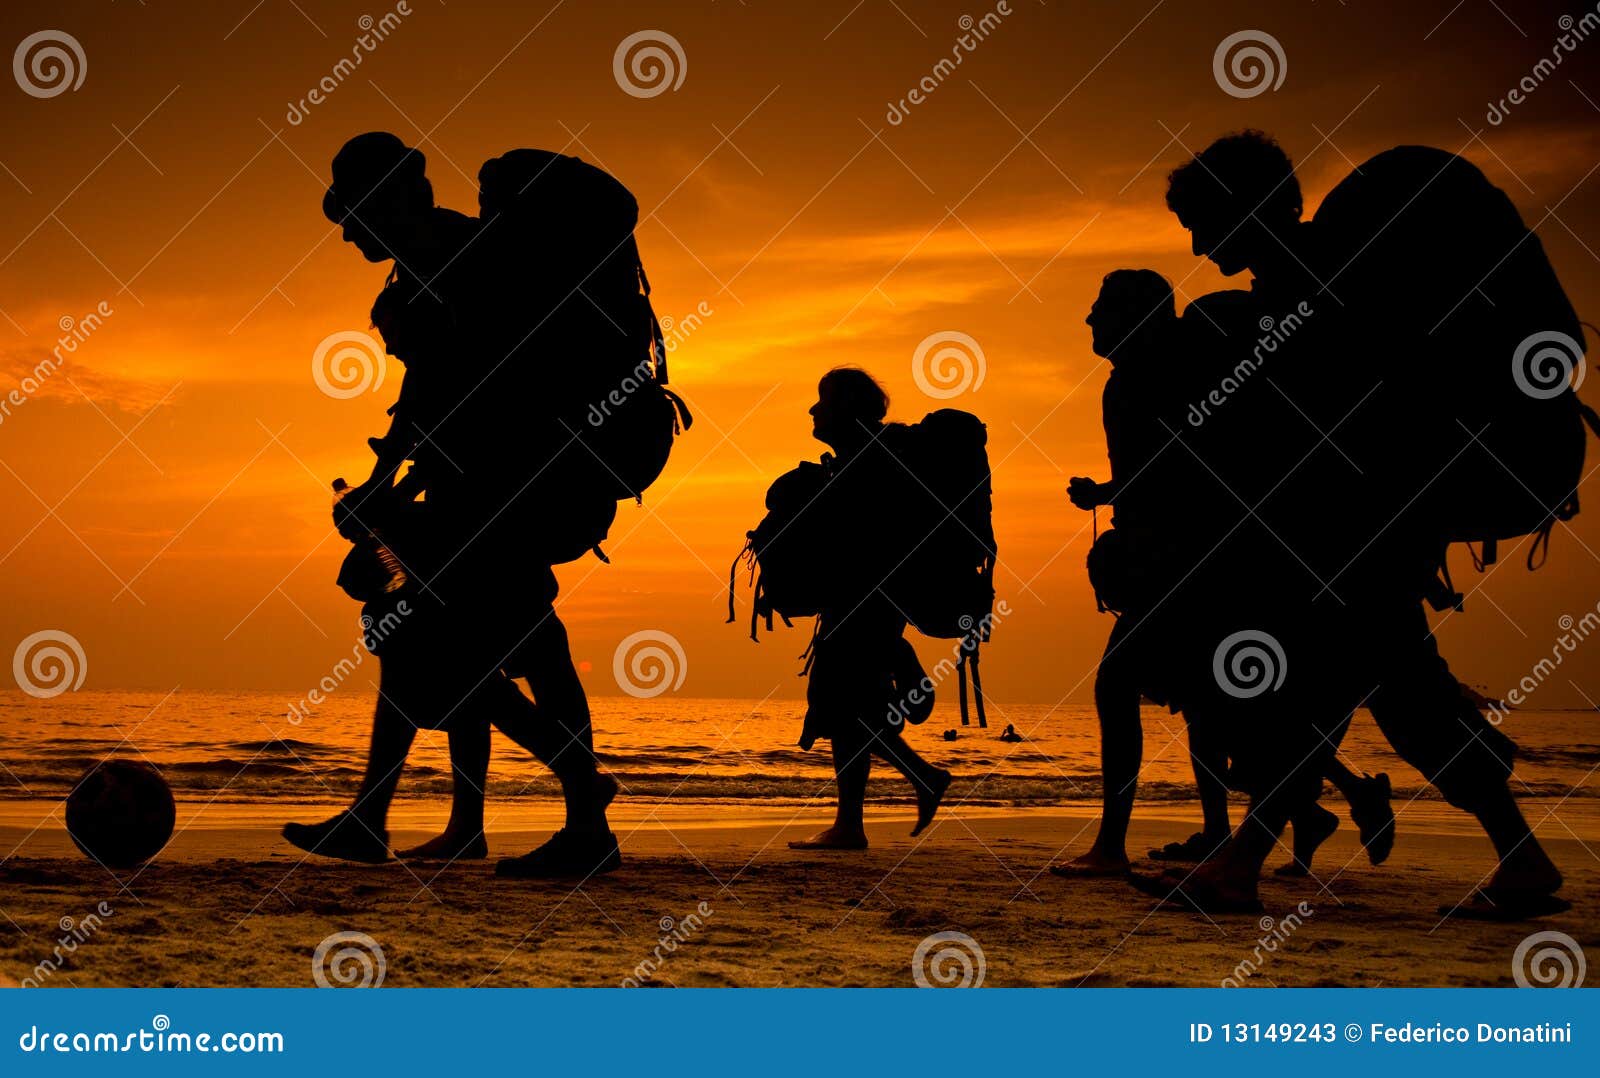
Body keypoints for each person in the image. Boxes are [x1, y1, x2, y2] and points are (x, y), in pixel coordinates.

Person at [1140, 130, 1562, 913]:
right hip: (1377, 528)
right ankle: (1518, 855)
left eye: (1203, 221)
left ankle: (1241, 865)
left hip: (1370, 530)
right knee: (1386, 690)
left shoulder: (1315, 286)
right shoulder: (1313, 279)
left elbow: (1348, 426)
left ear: (1246, 209)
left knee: (1355, 688)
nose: (1197, 243)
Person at [282, 133, 620, 879]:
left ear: (394, 195)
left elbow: (454, 392)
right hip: (499, 486)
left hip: (504, 490)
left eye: (353, 211)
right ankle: (421, 820)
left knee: (460, 650)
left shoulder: (461, 263)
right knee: (502, 644)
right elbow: (430, 400)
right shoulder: (435, 264)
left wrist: (390, 486)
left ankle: (582, 803)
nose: (345, 231)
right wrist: (389, 483)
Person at [787, 368, 953, 851]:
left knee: (841, 706)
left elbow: (864, 538)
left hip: (865, 600)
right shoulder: (865, 458)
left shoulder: (870, 461)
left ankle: (922, 777)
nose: (814, 410)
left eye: (824, 402)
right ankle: (851, 823)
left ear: (847, 410)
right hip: (867, 601)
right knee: (848, 706)